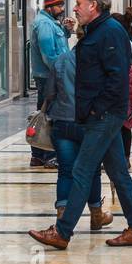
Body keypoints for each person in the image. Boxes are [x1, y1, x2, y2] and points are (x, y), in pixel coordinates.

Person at [29, 0, 132, 250]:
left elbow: (117, 78)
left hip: (103, 116)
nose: (74, 8)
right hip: (102, 114)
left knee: (82, 170)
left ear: (93, 5)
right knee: (118, 173)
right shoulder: (100, 30)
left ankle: (62, 232)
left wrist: (96, 110)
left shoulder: (109, 32)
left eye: (79, 3)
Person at [42, 47, 109, 231]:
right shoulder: (98, 62)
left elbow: (49, 93)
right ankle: (96, 216)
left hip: (63, 122)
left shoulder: (61, 60)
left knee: (65, 170)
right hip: (89, 123)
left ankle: (62, 218)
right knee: (93, 170)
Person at [28, 0, 69, 169]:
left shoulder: (49, 22)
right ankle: (49, 155)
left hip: (48, 76)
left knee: (44, 113)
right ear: (50, 7)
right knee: (50, 116)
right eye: (59, 6)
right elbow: (49, 55)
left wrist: (65, 31)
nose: (62, 9)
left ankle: (38, 155)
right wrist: (62, 74)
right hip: (49, 77)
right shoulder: (44, 24)